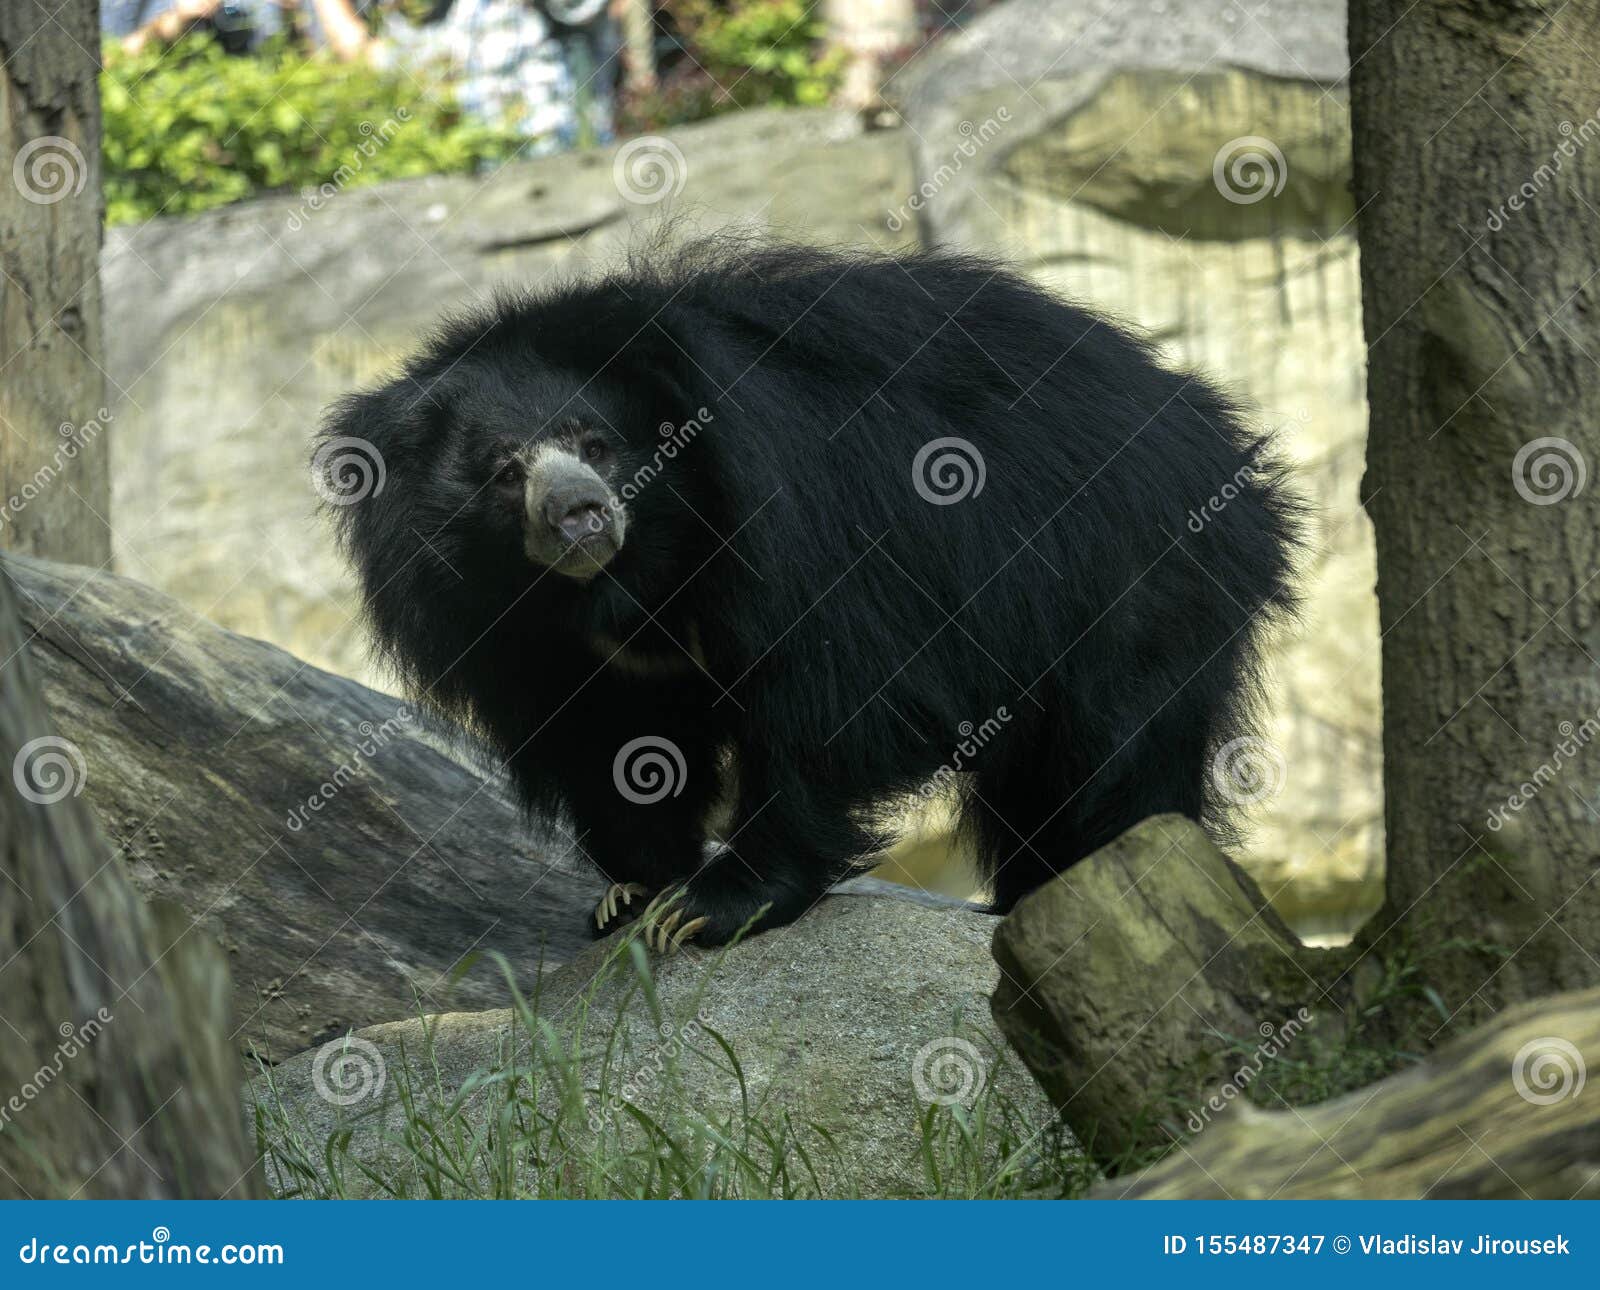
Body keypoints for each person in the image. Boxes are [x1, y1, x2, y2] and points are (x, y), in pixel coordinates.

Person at [308, 0, 619, 151]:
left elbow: (583, 8)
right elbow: (366, 58)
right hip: (444, 183)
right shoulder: (406, 18)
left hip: (550, 162)